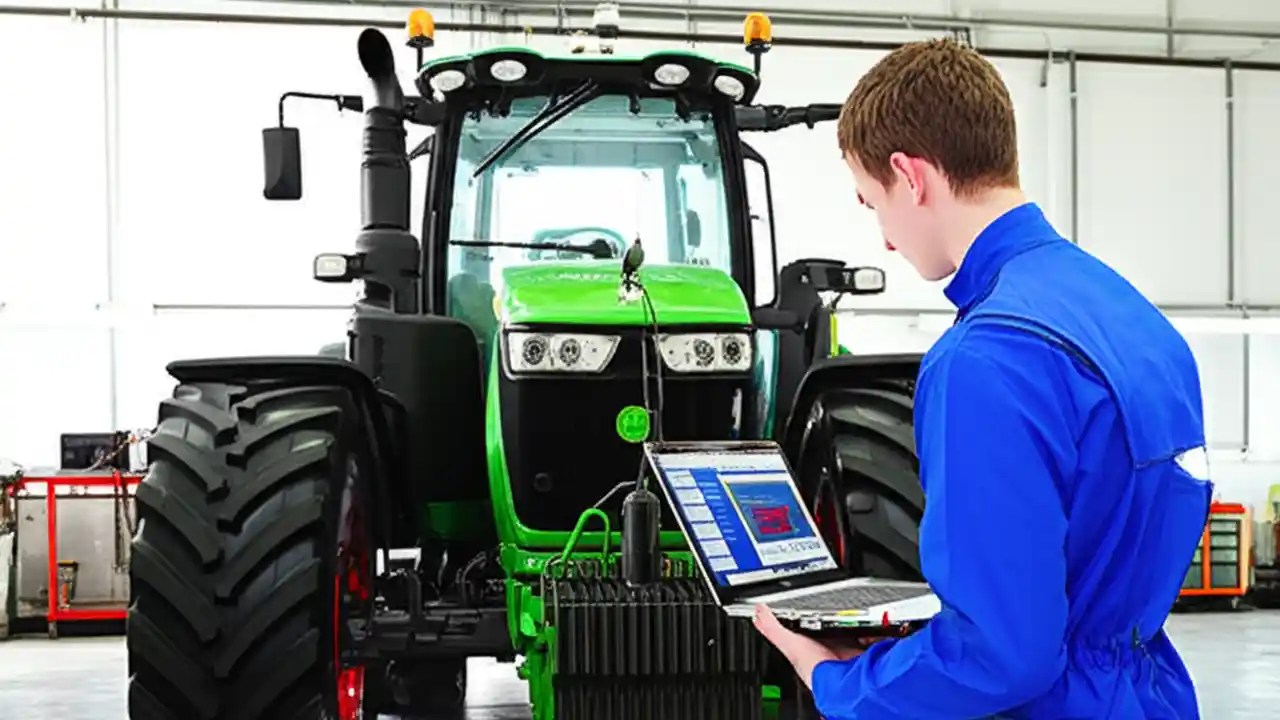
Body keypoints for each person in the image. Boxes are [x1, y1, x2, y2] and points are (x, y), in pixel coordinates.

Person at [752, 37, 1214, 719]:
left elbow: (1000, 656)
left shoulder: (984, 358)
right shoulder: (1135, 319)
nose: (883, 237)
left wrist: (836, 680)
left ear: (911, 177)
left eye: (871, 201)